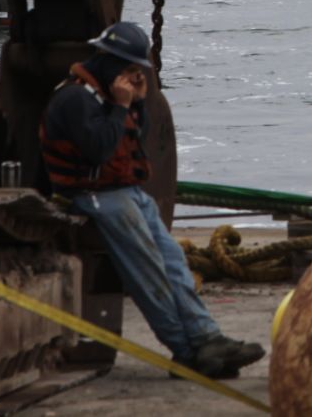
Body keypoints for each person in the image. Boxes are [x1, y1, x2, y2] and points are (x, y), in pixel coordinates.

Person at [40, 22, 267, 380]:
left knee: (173, 260)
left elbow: (135, 140)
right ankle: (186, 350)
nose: (131, 76)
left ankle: (207, 338)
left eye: (136, 70)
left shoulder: (112, 96)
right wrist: (120, 105)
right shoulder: (75, 99)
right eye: (127, 69)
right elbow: (99, 150)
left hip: (125, 191)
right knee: (147, 268)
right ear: (106, 60)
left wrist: (138, 105)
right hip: (90, 195)